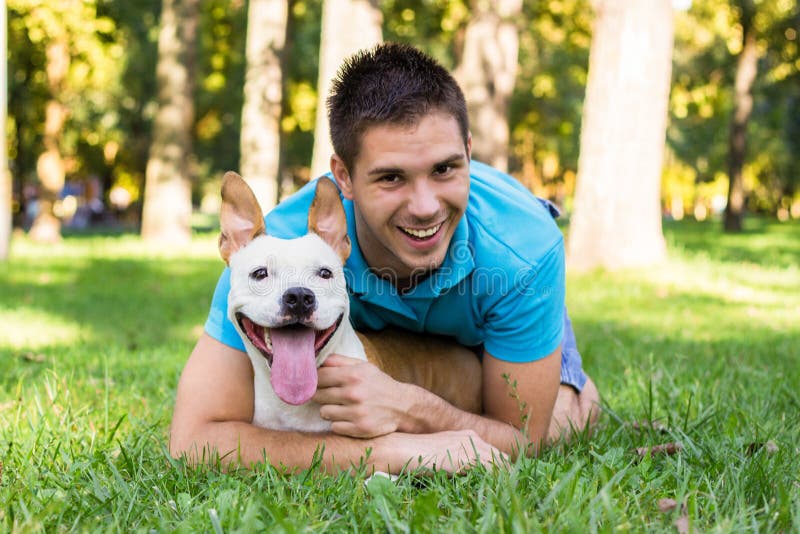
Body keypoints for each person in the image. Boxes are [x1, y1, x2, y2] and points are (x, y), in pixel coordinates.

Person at [169, 43, 599, 474]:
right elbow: (193, 441)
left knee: (561, 421)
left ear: (469, 151)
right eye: (391, 177)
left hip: (487, 323)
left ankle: (575, 389)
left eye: (445, 168)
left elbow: (520, 441)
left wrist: (408, 407)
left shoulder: (522, 249)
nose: (426, 206)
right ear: (343, 178)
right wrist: (388, 453)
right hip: (379, 345)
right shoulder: (273, 256)